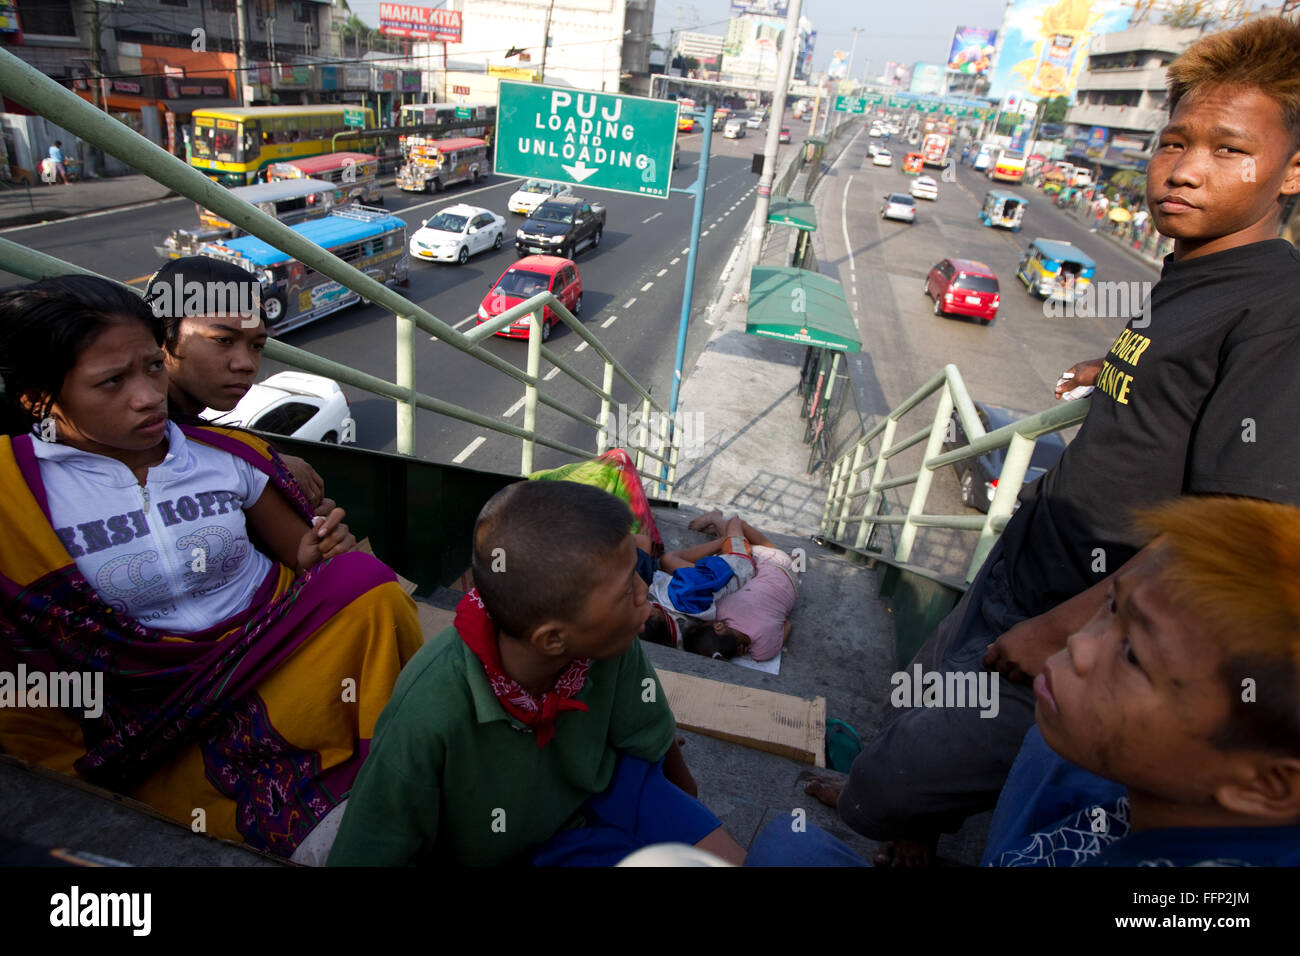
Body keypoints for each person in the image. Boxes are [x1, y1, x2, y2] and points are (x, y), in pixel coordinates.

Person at [818, 16, 1300, 867]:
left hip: (1088, 625)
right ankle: (908, 838)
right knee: (919, 694)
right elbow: (1173, 380)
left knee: (897, 779)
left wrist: (1074, 631)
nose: (1184, 169)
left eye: (1229, 150)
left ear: (1293, 169)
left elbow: (1241, 529)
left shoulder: (1280, 312)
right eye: (1173, 141)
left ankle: (882, 806)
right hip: (1024, 562)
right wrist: (1109, 363)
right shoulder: (1195, 267)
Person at [0, 275, 423, 859]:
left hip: (264, 655)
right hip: (135, 704)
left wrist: (321, 548)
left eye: (151, 368)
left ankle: (389, 763)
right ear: (38, 399)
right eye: (112, 381)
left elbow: (301, 553)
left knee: (367, 586)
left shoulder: (232, 453)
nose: (147, 395)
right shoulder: (11, 489)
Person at [752, 496, 1300, 867]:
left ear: (1267, 785)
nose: (1080, 643)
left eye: (1133, 655)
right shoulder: (1147, 807)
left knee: (782, 845)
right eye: (1110, 608)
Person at [327, 480, 747, 866]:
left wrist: (688, 802)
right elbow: (369, 847)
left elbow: (651, 733)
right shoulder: (429, 708)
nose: (645, 595)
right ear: (552, 640)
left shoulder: (611, 642)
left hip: (607, 790)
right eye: (627, 589)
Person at [146, 257, 328, 510]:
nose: (246, 364)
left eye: (257, 346)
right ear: (161, 337)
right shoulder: (135, 441)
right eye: (222, 340)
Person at [679, 509, 798, 663]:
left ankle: (718, 528)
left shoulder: (762, 653)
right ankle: (715, 519)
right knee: (735, 525)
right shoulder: (723, 609)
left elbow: (787, 625)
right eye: (703, 623)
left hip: (791, 585)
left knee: (734, 544)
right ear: (718, 627)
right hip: (776, 563)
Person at [641, 513, 757, 649]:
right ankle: (717, 522)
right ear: (656, 614)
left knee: (667, 560)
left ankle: (724, 538)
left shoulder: (678, 638)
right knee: (735, 523)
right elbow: (717, 570)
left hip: (705, 580)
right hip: (735, 567)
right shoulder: (687, 593)